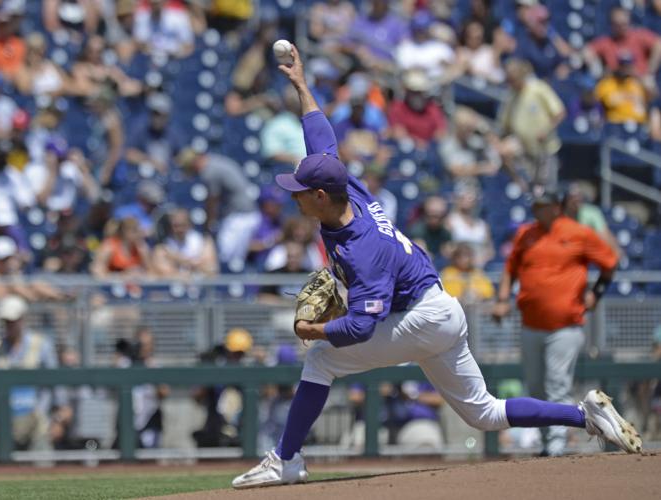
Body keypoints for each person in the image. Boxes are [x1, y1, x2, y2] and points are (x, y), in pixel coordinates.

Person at [231, 45, 641, 489]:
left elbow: (363, 329)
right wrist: (302, 86)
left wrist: (314, 332)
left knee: (323, 359)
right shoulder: (350, 189)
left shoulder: (361, 248)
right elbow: (320, 138)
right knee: (483, 413)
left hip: (424, 317)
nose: (292, 196)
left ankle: (285, 459)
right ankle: (586, 416)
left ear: (320, 197)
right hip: (437, 310)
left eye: (299, 190)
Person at [491, 191, 620, 456]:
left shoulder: (578, 232)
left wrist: (597, 292)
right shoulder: (526, 233)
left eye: (543, 205)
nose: (537, 210)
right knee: (536, 386)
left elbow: (610, 261)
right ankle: (546, 440)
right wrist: (503, 298)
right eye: (535, 205)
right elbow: (510, 269)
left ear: (556, 207)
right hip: (530, 324)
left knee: (557, 385)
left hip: (565, 325)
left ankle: (556, 446)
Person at [0, 295, 72, 453]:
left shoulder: (41, 345)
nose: (10, 325)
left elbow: (56, 385)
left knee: (43, 466)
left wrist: (59, 419)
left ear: (22, 319)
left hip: (38, 421)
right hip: (3, 423)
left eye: (13, 320)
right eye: (6, 321)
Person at [176, 148, 260, 266]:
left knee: (226, 258)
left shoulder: (210, 171)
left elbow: (212, 202)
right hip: (244, 214)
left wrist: (208, 225)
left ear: (194, 162)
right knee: (232, 259)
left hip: (239, 217)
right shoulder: (215, 161)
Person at [497, 58, 565, 189]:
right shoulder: (511, 95)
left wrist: (546, 130)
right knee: (505, 151)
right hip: (523, 150)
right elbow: (504, 125)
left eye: (513, 78)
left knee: (546, 189)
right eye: (509, 79)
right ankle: (520, 187)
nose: (511, 82)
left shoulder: (538, 88)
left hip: (544, 148)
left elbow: (559, 113)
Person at [152, 208, 219, 277]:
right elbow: (164, 273)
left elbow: (211, 269)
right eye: (176, 226)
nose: (180, 229)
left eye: (183, 225)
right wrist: (195, 265)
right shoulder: (163, 247)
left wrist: (176, 259)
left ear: (190, 225)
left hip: (200, 285)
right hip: (175, 286)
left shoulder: (203, 241)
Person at [593, 52, 648, 125]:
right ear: (618, 66)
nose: (626, 69)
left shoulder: (636, 83)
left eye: (628, 66)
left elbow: (644, 103)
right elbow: (607, 101)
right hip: (617, 124)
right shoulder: (607, 83)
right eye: (623, 65)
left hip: (638, 123)